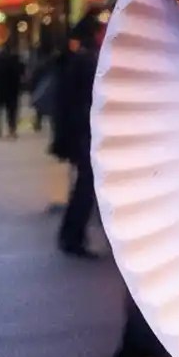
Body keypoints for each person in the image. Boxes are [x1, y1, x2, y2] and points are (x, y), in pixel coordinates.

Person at [55, 15, 105, 258]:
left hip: (81, 133)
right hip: (87, 134)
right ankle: (73, 236)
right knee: (86, 186)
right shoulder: (88, 62)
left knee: (85, 186)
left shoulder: (79, 60)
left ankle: (73, 234)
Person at [0, 43, 25, 140]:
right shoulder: (16, 61)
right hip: (13, 90)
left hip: (0, 89)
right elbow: (21, 75)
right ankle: (12, 130)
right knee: (12, 112)